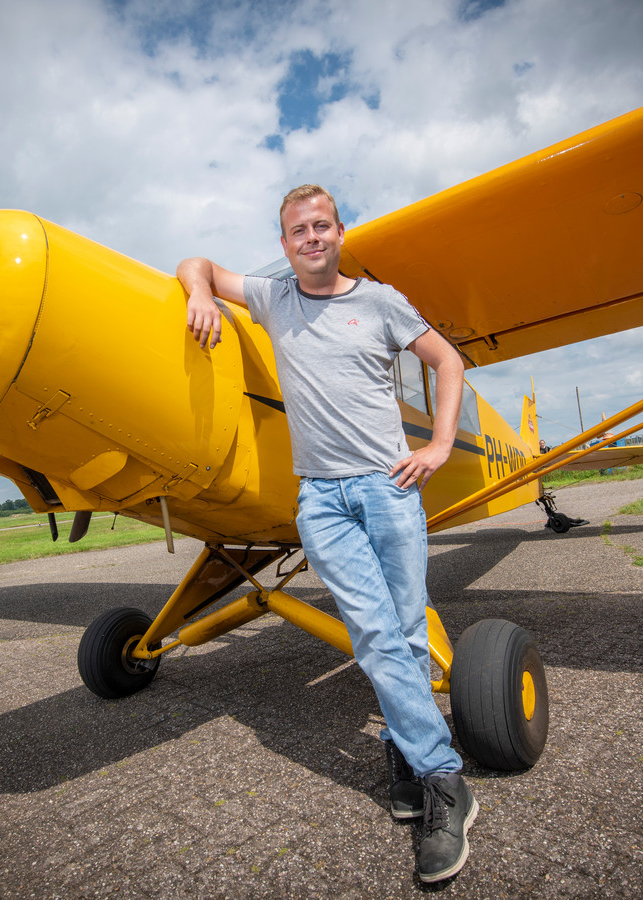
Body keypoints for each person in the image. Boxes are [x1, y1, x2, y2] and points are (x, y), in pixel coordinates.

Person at [176, 184, 477, 883]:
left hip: (388, 485)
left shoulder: (380, 300)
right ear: (284, 245)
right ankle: (444, 779)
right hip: (322, 500)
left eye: (321, 226)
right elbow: (197, 262)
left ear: (340, 232)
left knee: (402, 631)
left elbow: (448, 361)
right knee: (375, 632)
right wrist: (198, 295)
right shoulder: (275, 298)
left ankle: (409, 758)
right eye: (296, 231)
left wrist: (436, 446)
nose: (310, 238)